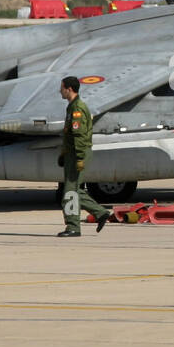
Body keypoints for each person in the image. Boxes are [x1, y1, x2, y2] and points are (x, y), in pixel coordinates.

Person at [56, 76, 113, 236]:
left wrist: (80, 157)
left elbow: (79, 135)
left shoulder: (77, 109)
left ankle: (73, 227)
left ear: (69, 89)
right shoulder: (72, 106)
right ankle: (101, 213)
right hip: (72, 154)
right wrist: (64, 154)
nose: (60, 91)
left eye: (61, 87)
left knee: (70, 193)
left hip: (77, 153)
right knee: (73, 190)